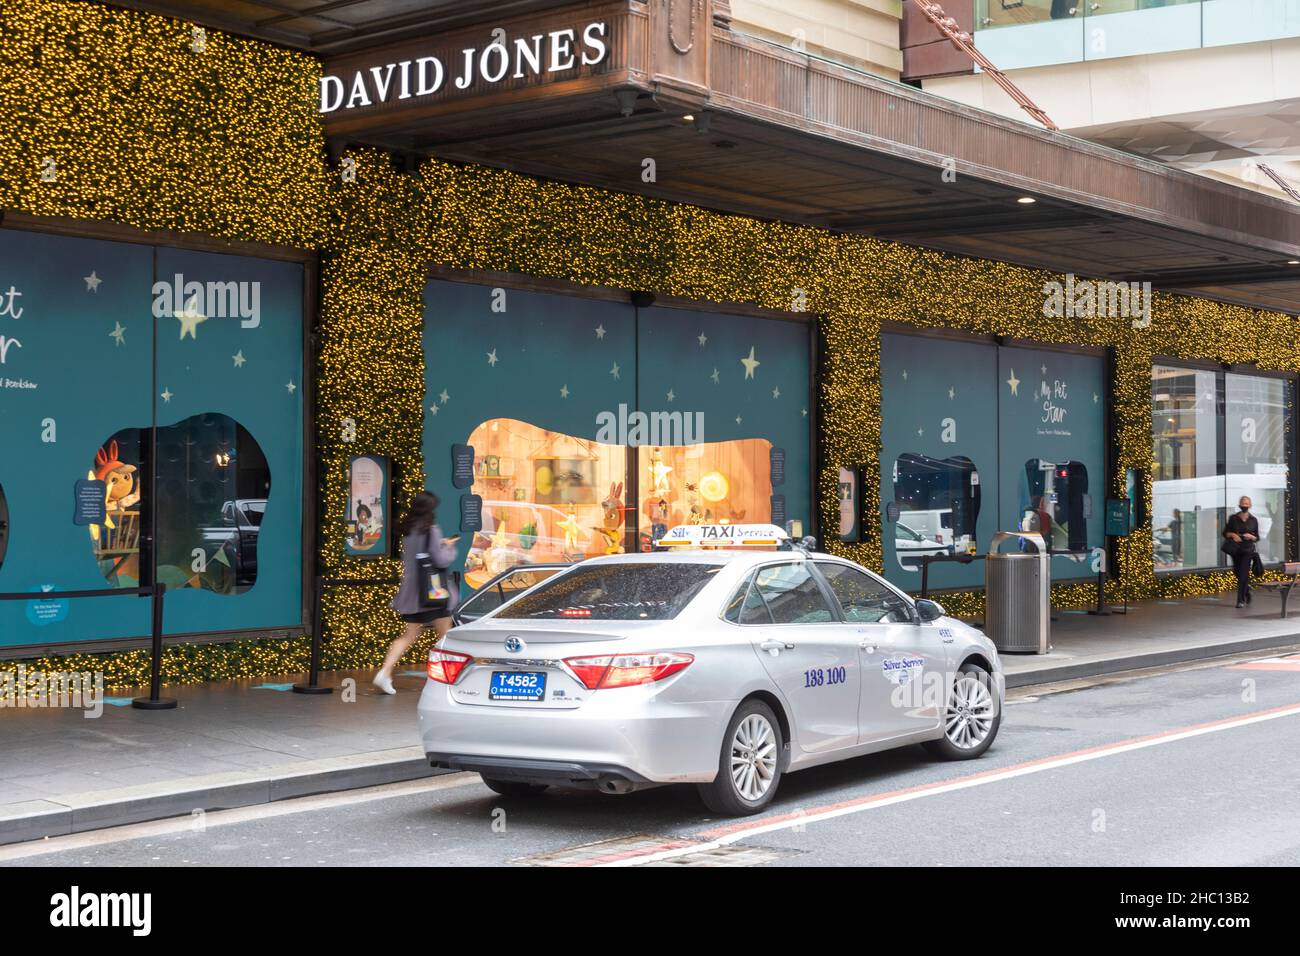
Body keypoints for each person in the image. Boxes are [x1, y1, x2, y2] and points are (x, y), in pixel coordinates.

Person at [374, 491, 459, 695]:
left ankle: (385, 672)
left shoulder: (407, 530)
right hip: (433, 593)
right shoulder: (432, 530)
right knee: (445, 636)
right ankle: (444, 678)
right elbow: (441, 560)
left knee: (409, 635)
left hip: (412, 594)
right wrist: (448, 547)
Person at [1223, 496, 1259, 608]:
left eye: (1246, 503)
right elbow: (1225, 533)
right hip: (1235, 549)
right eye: (1242, 503)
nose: (1244, 505)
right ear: (1239, 504)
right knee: (1237, 572)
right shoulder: (1233, 518)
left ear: (1250, 505)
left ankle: (1240, 600)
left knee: (1243, 574)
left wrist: (1251, 537)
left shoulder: (1253, 520)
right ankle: (1247, 589)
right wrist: (1233, 535)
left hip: (1248, 549)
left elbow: (1257, 537)